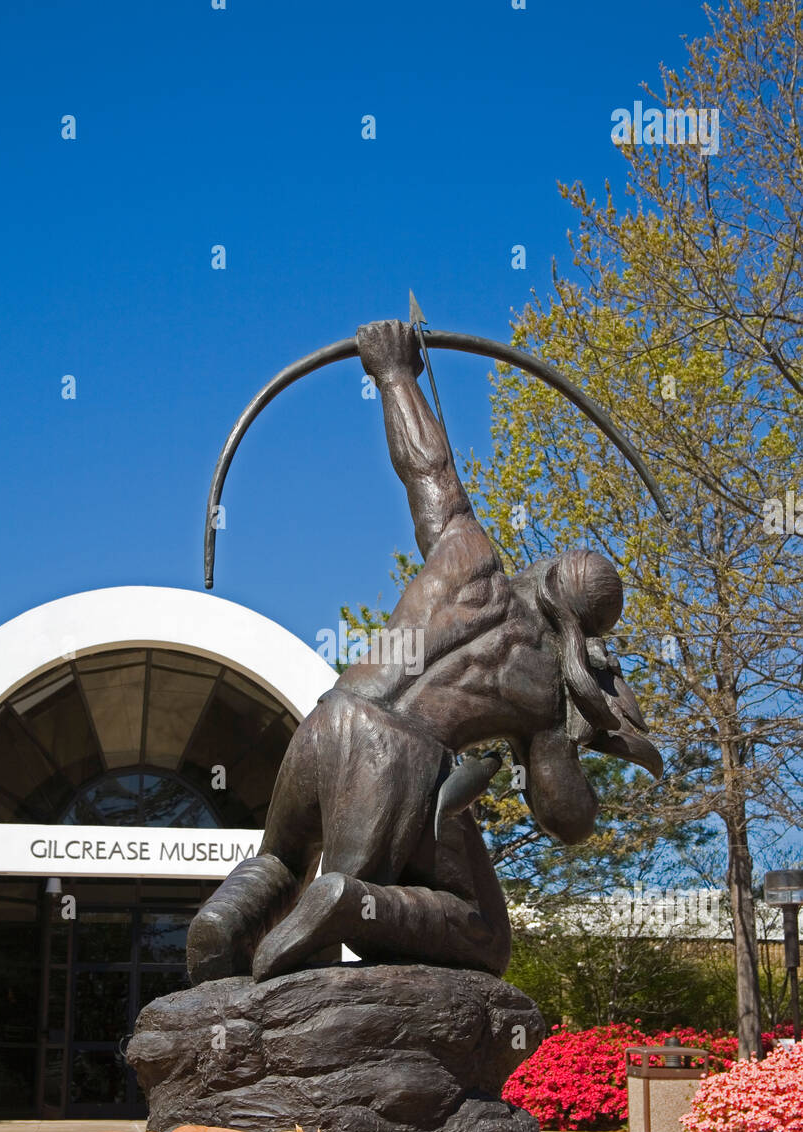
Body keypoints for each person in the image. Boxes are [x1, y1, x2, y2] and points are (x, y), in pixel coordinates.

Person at [187, 320, 661, 985]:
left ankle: (221, 922)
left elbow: (427, 466)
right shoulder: (548, 680)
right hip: (399, 757)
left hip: (331, 719)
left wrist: (393, 373)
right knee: (487, 938)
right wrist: (574, 730)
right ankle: (352, 901)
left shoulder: (466, 550)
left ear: (545, 569)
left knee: (281, 859)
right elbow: (566, 819)